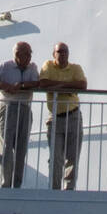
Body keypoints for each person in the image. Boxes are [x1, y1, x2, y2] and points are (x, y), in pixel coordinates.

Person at [0, 42, 39, 188]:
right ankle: (4, 184)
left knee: (21, 149)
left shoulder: (33, 68)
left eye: (30, 53)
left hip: (25, 108)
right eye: (27, 53)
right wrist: (3, 85)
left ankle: (16, 185)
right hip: (8, 106)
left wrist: (22, 85)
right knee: (6, 147)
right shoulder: (5, 66)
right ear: (18, 55)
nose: (29, 56)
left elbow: (38, 84)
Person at [38, 43, 87, 190]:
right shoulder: (48, 65)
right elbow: (43, 83)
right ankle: (54, 189)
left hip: (73, 115)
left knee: (72, 157)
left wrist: (57, 88)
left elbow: (82, 85)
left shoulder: (75, 68)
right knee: (56, 158)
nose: (62, 54)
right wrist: (69, 86)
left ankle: (69, 189)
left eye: (65, 51)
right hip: (55, 117)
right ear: (54, 54)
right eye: (59, 51)